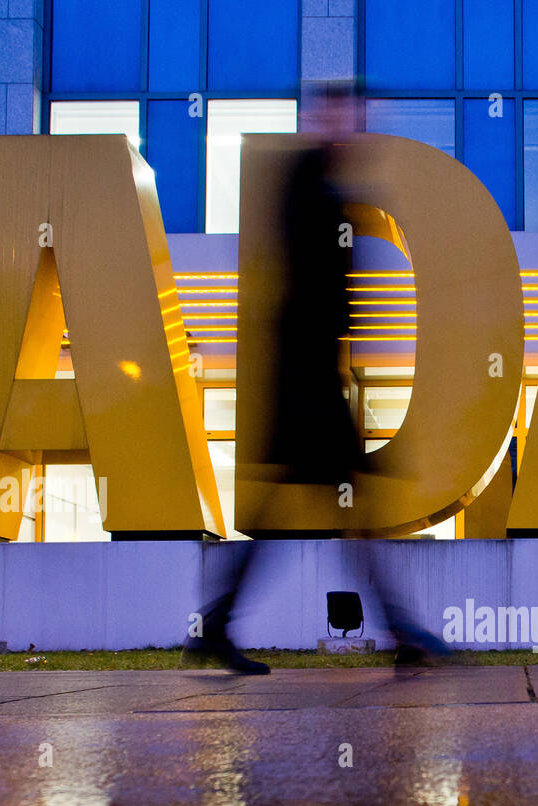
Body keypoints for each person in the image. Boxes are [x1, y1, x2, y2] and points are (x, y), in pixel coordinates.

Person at [186, 83, 447, 674]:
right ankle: (402, 632)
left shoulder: (329, 183)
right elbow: (304, 285)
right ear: (322, 115)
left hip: (308, 376)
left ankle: (219, 625)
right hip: (304, 380)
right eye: (343, 113)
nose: (352, 124)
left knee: (316, 513)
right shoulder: (308, 180)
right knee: (348, 508)